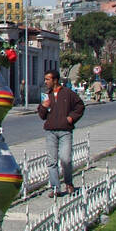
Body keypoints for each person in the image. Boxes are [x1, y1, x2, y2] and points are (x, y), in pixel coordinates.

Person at [37, 69, 85, 198]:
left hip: (65, 131)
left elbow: (80, 106)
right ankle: (55, 187)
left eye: (48, 79)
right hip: (50, 131)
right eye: (45, 79)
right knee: (52, 161)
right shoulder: (47, 95)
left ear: (55, 80)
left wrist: (71, 117)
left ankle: (68, 182)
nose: (45, 82)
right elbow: (42, 116)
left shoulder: (68, 93)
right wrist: (43, 106)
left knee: (66, 159)